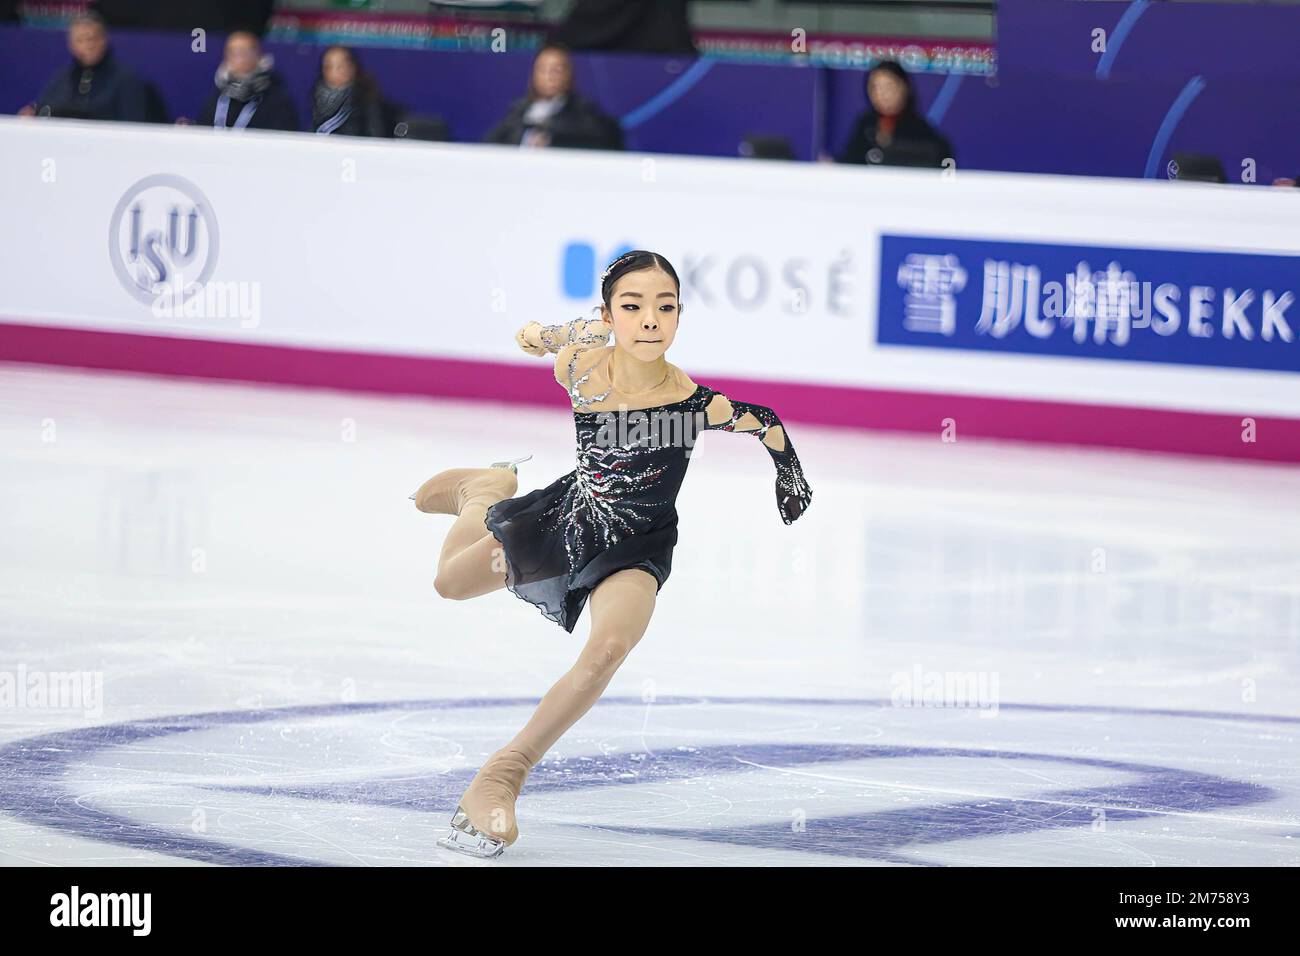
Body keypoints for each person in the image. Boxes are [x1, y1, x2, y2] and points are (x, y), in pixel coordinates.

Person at [411, 250, 813, 857]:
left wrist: (789, 471)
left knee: (608, 648)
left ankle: (504, 775)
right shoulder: (579, 368)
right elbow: (562, 337)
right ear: (610, 313)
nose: (651, 319)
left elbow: (765, 420)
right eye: (633, 306)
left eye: (666, 307)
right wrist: (542, 335)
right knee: (448, 583)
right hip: (568, 523)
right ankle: (483, 491)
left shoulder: (692, 403)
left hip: (638, 548)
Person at [483, 43, 623, 151]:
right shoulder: (518, 112)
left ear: (569, 74)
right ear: (534, 75)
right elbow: (490, 145)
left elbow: (604, 139)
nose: (550, 76)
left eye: (557, 70)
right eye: (544, 70)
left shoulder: (585, 112)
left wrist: (551, 135)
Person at [17, 12, 149, 122]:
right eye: (80, 40)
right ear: (71, 45)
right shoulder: (63, 77)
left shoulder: (125, 78)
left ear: (104, 40)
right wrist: (33, 112)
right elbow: (42, 106)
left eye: (91, 38)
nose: (88, 45)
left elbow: (133, 125)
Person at [837, 59, 954, 168]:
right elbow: (849, 162)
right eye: (875, 87)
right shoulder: (865, 124)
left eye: (888, 86)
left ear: (904, 87)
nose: (881, 94)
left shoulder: (921, 130)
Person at [196, 31, 298, 132]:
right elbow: (204, 127)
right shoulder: (219, 93)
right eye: (233, 52)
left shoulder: (275, 95)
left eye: (244, 52)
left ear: (258, 55)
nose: (239, 58)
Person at [310, 45, 390, 137]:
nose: (333, 71)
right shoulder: (317, 97)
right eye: (328, 66)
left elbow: (375, 134)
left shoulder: (365, 99)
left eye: (340, 66)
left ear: (351, 68)